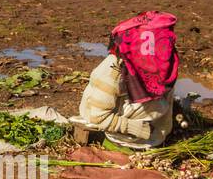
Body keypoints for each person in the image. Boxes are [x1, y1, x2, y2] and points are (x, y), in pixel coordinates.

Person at [76, 13, 179, 150]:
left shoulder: (163, 66)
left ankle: (158, 133)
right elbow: (97, 117)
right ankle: (128, 140)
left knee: (165, 91)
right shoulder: (113, 71)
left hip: (146, 124)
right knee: (157, 104)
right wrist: (137, 129)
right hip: (110, 122)